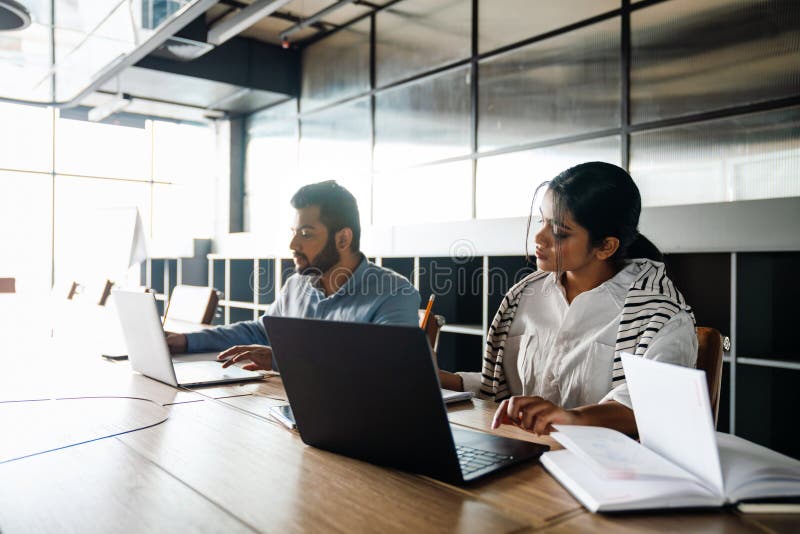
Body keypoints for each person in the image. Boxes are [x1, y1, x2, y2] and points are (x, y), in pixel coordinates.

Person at [438, 162, 697, 437]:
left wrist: (570, 418)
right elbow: (499, 389)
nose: (539, 237)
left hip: (604, 471)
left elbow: (652, 409)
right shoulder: (523, 297)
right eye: (542, 221)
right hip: (521, 454)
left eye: (559, 232)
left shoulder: (660, 315)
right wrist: (444, 380)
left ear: (606, 246)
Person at [167, 180, 420, 371]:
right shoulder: (297, 285)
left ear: (343, 238)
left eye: (306, 234)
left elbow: (389, 365)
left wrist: (279, 360)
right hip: (294, 405)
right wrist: (187, 342)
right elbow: (261, 331)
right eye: (293, 232)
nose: (293, 244)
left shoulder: (394, 292)